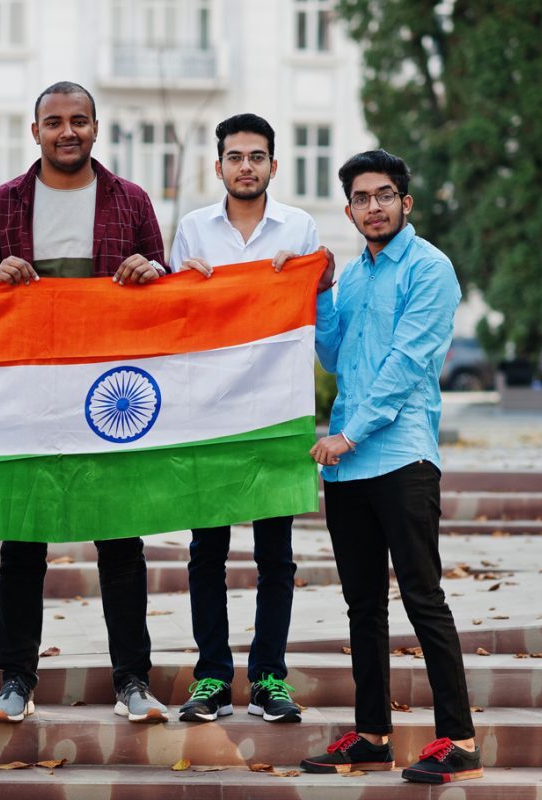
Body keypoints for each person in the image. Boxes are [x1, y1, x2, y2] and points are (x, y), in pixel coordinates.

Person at [0, 81, 170, 724]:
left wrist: (150, 274)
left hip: (110, 399)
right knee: (22, 543)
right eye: (55, 122)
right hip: (29, 400)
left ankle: (133, 679)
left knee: (120, 541)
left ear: (96, 127)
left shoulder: (130, 202)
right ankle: (15, 680)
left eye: (79, 120)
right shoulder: (0, 207)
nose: (67, 132)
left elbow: (167, 300)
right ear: (36, 132)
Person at [298, 149, 481, 783]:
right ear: (348, 209)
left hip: (401, 456)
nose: (372, 206)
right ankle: (372, 735)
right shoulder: (353, 276)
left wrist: (346, 435)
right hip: (349, 469)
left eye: (383, 195)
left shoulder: (430, 269)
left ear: (406, 203)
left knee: (424, 597)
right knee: (362, 606)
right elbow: (332, 357)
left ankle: (458, 739)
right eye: (360, 198)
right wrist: (320, 294)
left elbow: (406, 366)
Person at [169, 113, 327, 725]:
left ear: (272, 166)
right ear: (219, 166)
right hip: (206, 414)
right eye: (235, 156)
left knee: (275, 555)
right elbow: (177, 324)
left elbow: (315, 312)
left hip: (274, 411)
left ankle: (268, 677)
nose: (245, 166)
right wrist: (187, 285)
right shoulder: (191, 230)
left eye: (256, 156)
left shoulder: (300, 229)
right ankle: (211, 675)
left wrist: (317, 274)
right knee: (206, 550)